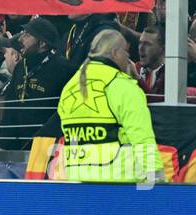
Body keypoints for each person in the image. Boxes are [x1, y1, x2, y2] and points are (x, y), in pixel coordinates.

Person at [55, 28, 162, 183]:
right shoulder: (123, 87)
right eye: (126, 52)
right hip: (118, 184)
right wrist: (157, 178)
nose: (129, 58)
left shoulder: (69, 88)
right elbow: (142, 138)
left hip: (76, 181)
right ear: (115, 53)